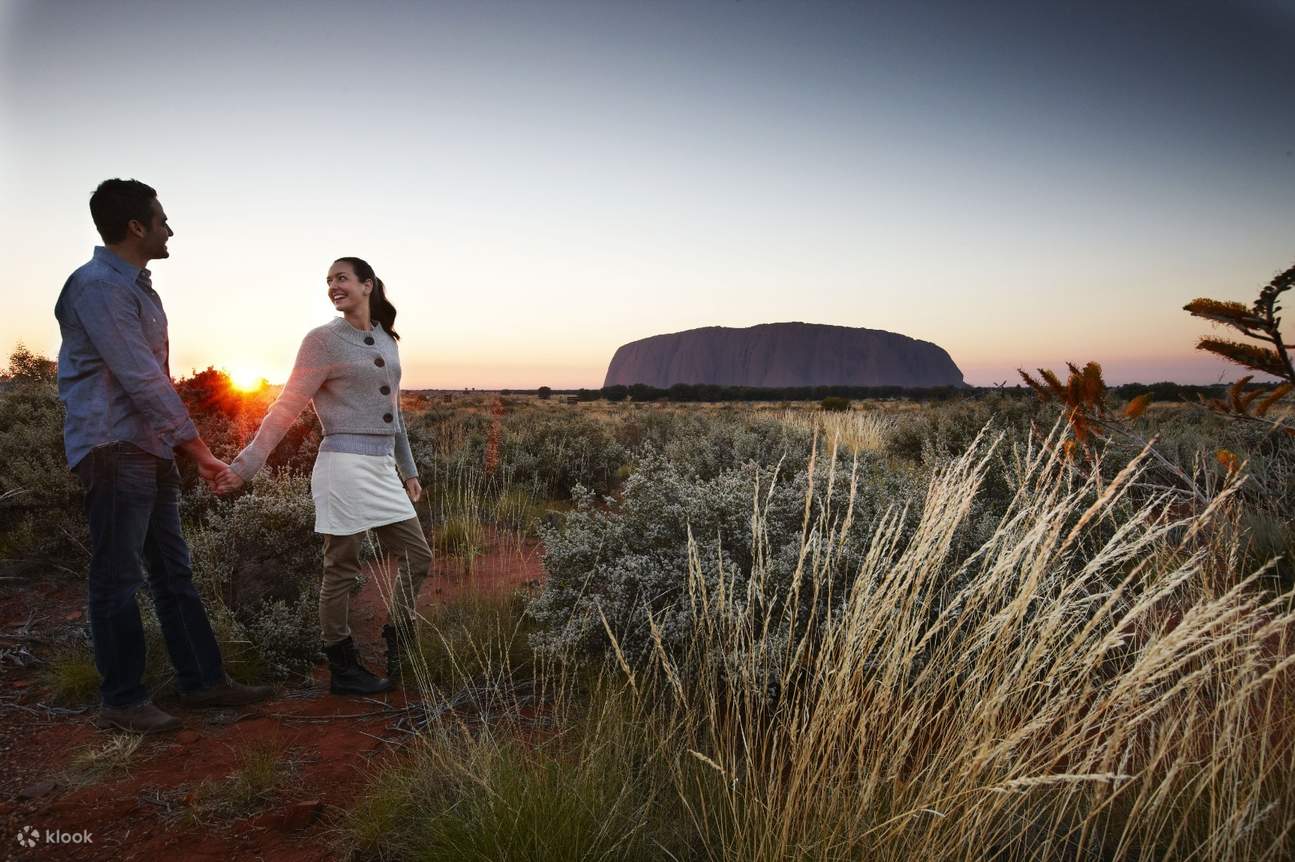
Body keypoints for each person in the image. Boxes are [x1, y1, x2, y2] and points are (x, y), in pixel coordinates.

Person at [55, 178, 274, 735]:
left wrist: (175, 446)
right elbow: (141, 379)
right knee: (118, 576)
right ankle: (123, 700)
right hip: (113, 448)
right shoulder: (99, 288)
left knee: (172, 571)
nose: (169, 228)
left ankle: (202, 680)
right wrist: (200, 452)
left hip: (145, 448)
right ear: (136, 227)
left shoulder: (135, 287)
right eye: (162, 219)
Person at [218, 257, 432, 696]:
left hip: (381, 469)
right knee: (342, 568)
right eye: (328, 281)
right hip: (343, 467)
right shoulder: (321, 341)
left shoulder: (387, 340)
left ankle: (399, 640)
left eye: (342, 278)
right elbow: (286, 405)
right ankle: (343, 668)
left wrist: (407, 469)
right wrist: (247, 464)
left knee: (418, 555)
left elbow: (394, 415)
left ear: (367, 285)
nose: (333, 286)